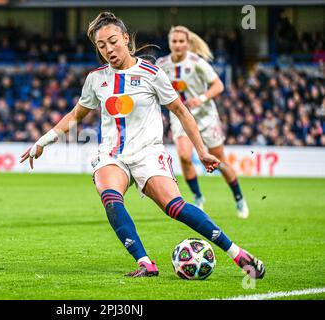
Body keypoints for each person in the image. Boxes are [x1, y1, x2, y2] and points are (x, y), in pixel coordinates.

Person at [20, 12, 265, 278]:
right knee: (111, 198)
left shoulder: (151, 73)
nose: (108, 50)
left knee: (175, 207)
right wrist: (43, 141)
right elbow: (76, 115)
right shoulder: (96, 79)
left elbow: (181, 112)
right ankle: (145, 263)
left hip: (148, 154)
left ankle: (238, 254)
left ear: (126, 39)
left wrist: (202, 151)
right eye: (101, 46)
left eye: (113, 41)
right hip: (112, 155)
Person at [156, 26, 250, 218]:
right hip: (181, 116)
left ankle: (239, 198)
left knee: (220, 162)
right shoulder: (162, 64)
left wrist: (202, 98)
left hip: (205, 117)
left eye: (182, 41)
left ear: (188, 43)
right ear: (169, 43)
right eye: (174, 41)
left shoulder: (197, 62)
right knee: (183, 156)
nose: (178, 45)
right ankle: (198, 197)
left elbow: (219, 85)